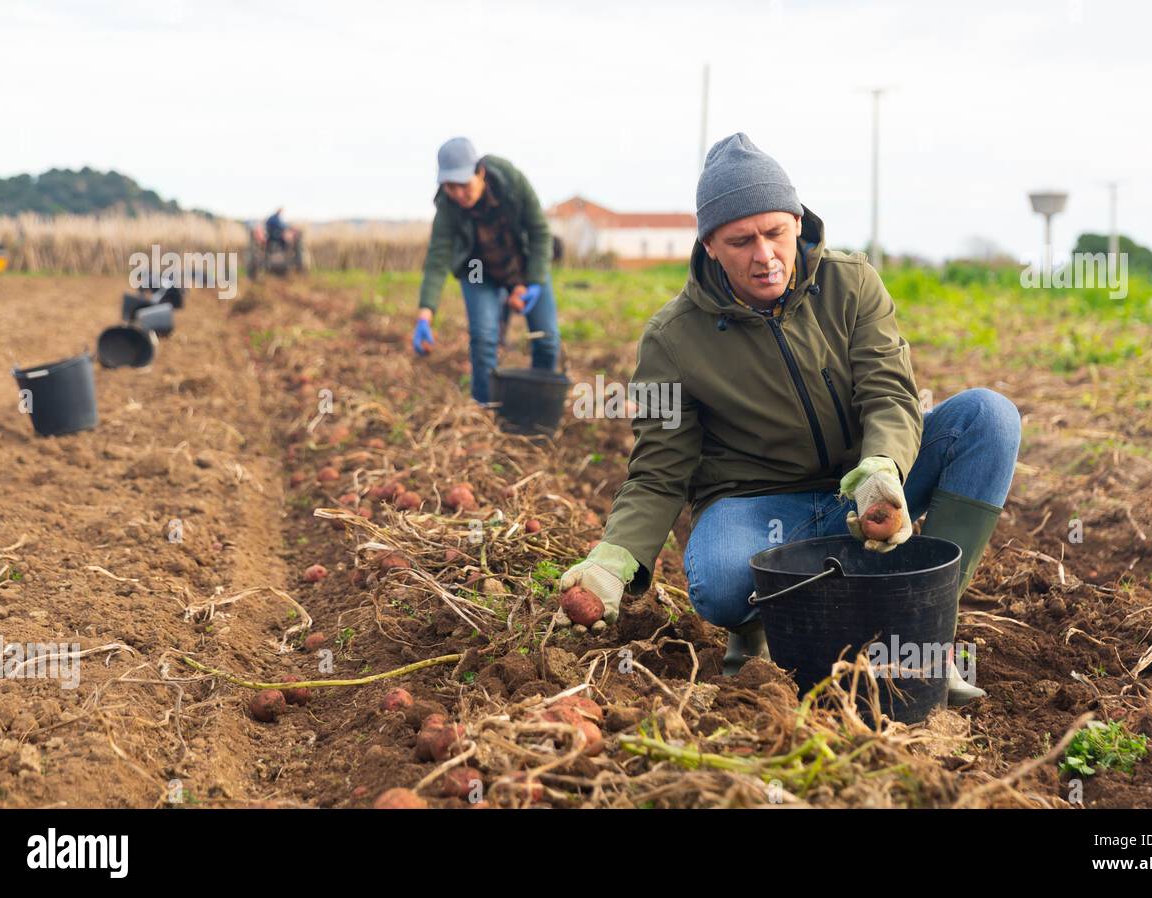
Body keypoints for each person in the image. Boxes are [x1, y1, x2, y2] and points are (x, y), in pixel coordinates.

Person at [556, 133, 1020, 705]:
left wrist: (882, 466)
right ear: (710, 245)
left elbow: (890, 393)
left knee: (988, 419)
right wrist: (616, 558)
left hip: (865, 487)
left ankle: (923, 634)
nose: (764, 254)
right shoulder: (671, 339)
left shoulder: (851, 284)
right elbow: (659, 469)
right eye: (741, 240)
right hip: (761, 509)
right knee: (721, 578)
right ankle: (764, 631)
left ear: (798, 222)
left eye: (775, 232)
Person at [413, 137, 560, 404]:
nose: (458, 194)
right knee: (483, 338)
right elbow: (437, 260)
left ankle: (540, 401)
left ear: (480, 172)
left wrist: (534, 282)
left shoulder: (511, 182)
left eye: (463, 185)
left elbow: (540, 232)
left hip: (524, 264)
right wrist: (425, 315)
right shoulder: (447, 208)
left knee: (547, 338)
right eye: (450, 187)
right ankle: (486, 405)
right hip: (478, 268)